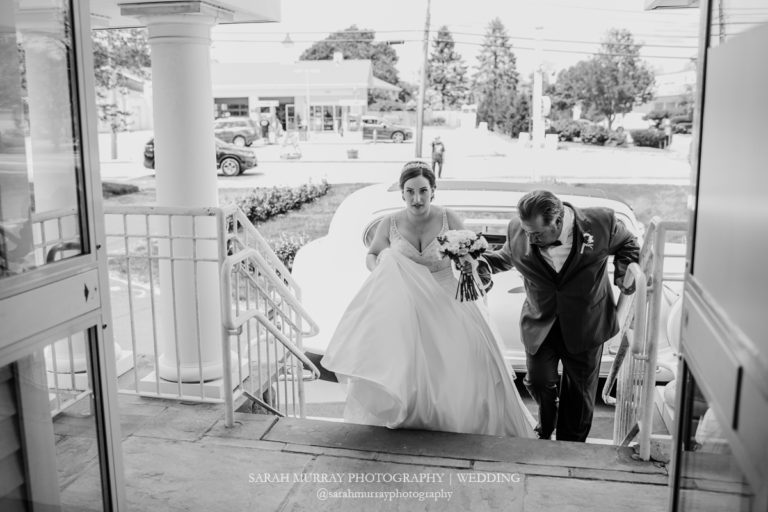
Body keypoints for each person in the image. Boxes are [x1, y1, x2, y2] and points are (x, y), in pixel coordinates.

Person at [321, 161, 534, 438]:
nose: (417, 198)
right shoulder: (390, 223)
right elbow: (372, 254)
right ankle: (415, 418)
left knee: (458, 364)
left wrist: (468, 262)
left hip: (447, 300)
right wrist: (384, 270)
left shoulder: (449, 219)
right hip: (406, 303)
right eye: (410, 191)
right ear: (402, 192)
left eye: (423, 191)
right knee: (409, 366)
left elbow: (470, 253)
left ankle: (453, 420)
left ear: (433, 191)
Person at [479, 190, 639, 442]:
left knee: (580, 392)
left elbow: (628, 244)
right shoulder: (518, 230)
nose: (530, 238)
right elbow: (506, 257)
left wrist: (623, 275)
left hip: (586, 320)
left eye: (537, 234)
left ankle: (571, 446)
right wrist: (475, 261)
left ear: (558, 221)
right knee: (538, 380)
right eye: (527, 231)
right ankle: (546, 423)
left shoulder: (601, 223)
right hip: (540, 320)